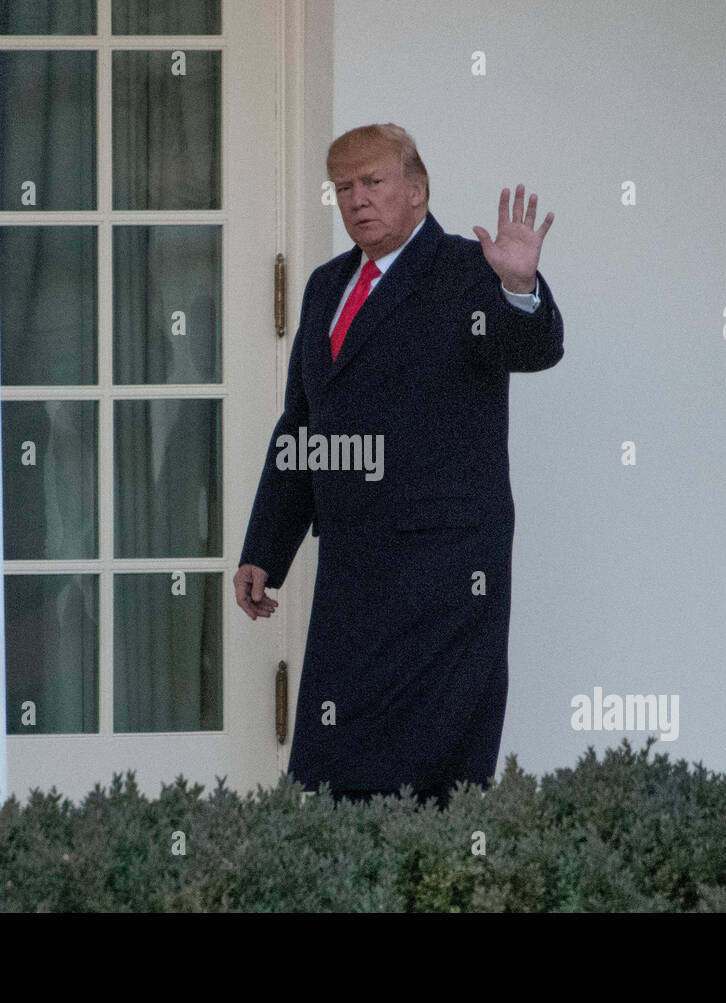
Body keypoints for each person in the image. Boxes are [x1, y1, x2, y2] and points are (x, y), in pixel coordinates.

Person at [233, 123, 563, 809]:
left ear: (417, 190)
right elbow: (303, 424)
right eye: (343, 187)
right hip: (354, 573)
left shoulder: (471, 269)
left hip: (443, 575)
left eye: (373, 182)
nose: (357, 199)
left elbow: (533, 348)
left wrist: (522, 285)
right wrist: (266, 548)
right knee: (332, 774)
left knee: (427, 783)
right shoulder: (326, 286)